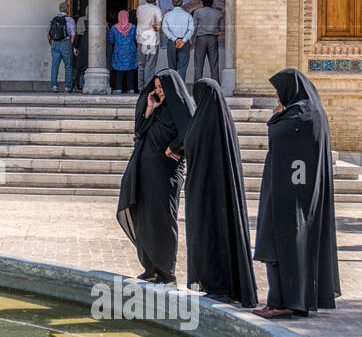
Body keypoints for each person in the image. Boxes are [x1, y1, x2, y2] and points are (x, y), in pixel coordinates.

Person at [252, 69, 341, 318]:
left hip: (293, 196)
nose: (277, 96)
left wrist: (274, 117)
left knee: (286, 245)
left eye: (279, 90)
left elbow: (276, 135)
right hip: (286, 190)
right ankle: (278, 299)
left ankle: (287, 300)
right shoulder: (306, 111)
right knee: (275, 244)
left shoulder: (303, 113)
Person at [116, 69, 195, 284]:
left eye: (162, 87)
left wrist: (173, 146)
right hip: (145, 171)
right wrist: (150, 108)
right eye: (157, 87)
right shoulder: (157, 108)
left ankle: (166, 272)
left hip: (166, 174)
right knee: (143, 217)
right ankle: (150, 267)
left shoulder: (181, 109)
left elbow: (190, 131)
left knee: (162, 219)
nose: (159, 91)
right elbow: (139, 131)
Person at [184, 78, 258, 307]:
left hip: (209, 192)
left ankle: (219, 284)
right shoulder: (215, 119)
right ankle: (214, 283)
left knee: (211, 235)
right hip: (209, 190)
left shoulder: (207, 121)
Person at [191, 0, 224, 84]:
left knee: (198, 65)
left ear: (202, 2)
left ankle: (197, 85)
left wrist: (192, 42)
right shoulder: (218, 13)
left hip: (200, 39)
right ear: (212, 2)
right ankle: (216, 85)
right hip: (213, 39)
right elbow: (221, 28)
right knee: (214, 64)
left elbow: (194, 27)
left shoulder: (197, 12)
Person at [162, 0, 194, 80]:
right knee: (182, 68)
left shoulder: (167, 15)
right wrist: (183, 41)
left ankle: (173, 88)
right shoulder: (188, 15)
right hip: (184, 43)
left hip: (172, 43)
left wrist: (175, 39)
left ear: (172, 3)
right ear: (182, 3)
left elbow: (165, 29)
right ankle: (181, 89)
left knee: (172, 68)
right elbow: (191, 30)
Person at [46, 1, 76, 92]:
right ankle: (68, 87)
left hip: (55, 43)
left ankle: (54, 86)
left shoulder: (53, 20)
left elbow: (48, 34)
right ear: (67, 9)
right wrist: (70, 44)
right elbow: (73, 34)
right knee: (68, 66)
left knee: (55, 65)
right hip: (65, 43)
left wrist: (51, 43)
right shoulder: (70, 20)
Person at [107, 10, 139, 94]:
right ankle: (131, 88)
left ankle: (118, 88)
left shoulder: (114, 28)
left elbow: (111, 40)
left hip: (118, 51)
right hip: (130, 51)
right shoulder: (133, 27)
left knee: (119, 70)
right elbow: (136, 38)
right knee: (130, 70)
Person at [136, 0, 163, 87]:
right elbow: (159, 23)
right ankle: (148, 86)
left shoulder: (140, 8)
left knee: (141, 63)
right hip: (151, 39)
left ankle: (140, 86)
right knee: (150, 63)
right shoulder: (156, 9)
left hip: (141, 38)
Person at [72, 9, 88, 92]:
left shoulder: (81, 20)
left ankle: (81, 85)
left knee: (82, 66)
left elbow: (78, 34)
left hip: (83, 43)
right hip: (94, 43)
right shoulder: (98, 20)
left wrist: (75, 47)